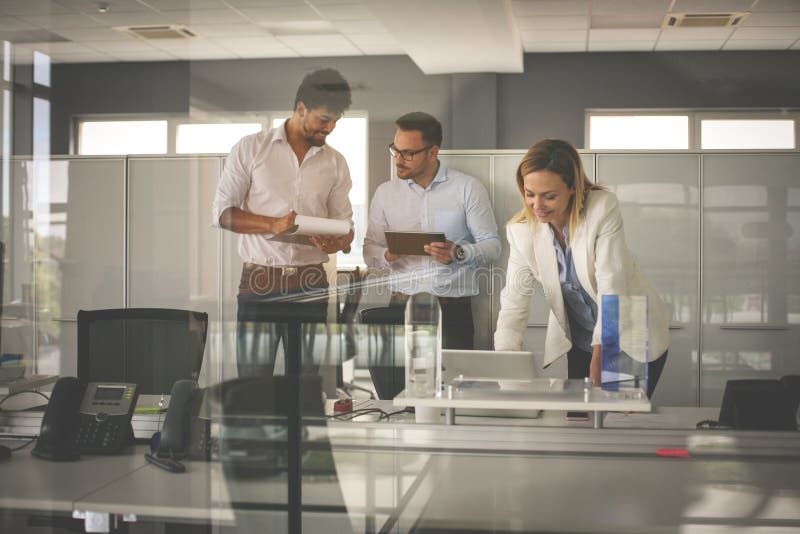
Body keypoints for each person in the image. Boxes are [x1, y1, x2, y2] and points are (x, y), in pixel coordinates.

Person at [494, 139, 670, 397]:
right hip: (581, 340)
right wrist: (505, 365)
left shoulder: (602, 208)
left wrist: (602, 358)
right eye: (530, 194)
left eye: (549, 196)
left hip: (628, 331)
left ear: (573, 188)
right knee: (581, 421)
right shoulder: (521, 232)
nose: (537, 206)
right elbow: (513, 304)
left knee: (619, 419)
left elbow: (612, 284)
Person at [212, 68, 355, 376]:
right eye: (323, 119)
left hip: (311, 284)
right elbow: (223, 213)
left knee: (304, 386)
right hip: (260, 284)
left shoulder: (336, 162)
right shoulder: (252, 148)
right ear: (301, 108)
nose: (329, 128)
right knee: (253, 382)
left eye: (335, 122)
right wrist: (273, 225)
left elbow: (346, 228)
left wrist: (339, 242)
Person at [363, 111, 501, 349]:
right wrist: (387, 256)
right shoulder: (385, 194)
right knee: (399, 386)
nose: (398, 159)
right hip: (401, 308)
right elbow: (369, 250)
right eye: (395, 150)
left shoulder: (467, 188)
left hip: (452, 312)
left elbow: (493, 245)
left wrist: (459, 253)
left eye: (408, 153)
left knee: (455, 382)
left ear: (433, 152)